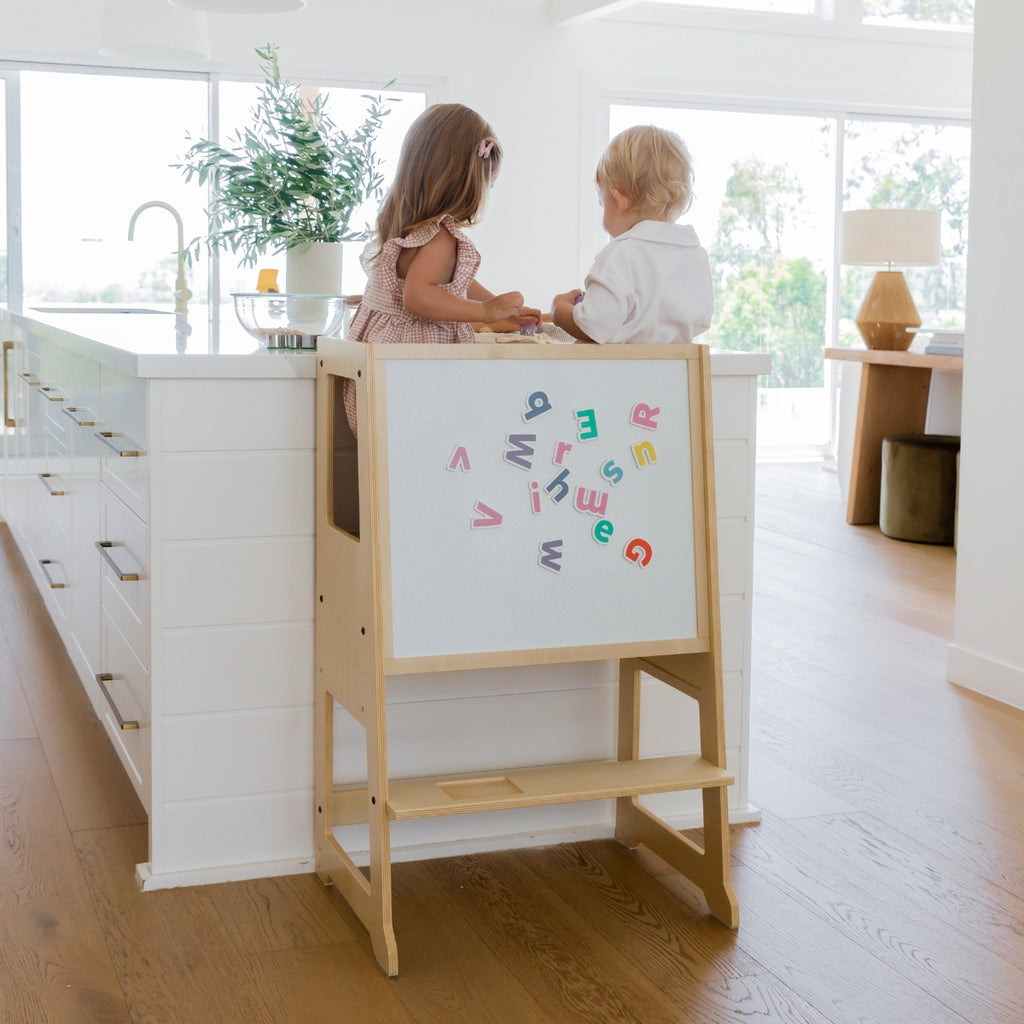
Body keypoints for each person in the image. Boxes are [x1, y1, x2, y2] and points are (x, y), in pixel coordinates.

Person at [344, 103, 539, 432]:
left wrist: (498, 309)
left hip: (375, 378)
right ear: (466, 181)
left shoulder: (403, 226)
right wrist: (485, 312)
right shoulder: (441, 238)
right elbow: (418, 296)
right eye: (487, 184)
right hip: (413, 381)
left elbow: (451, 283)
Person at [550, 125, 713, 345]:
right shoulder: (696, 256)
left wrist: (560, 311)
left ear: (619, 201)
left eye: (602, 202)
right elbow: (700, 322)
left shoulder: (621, 254)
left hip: (618, 378)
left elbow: (593, 326)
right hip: (673, 378)